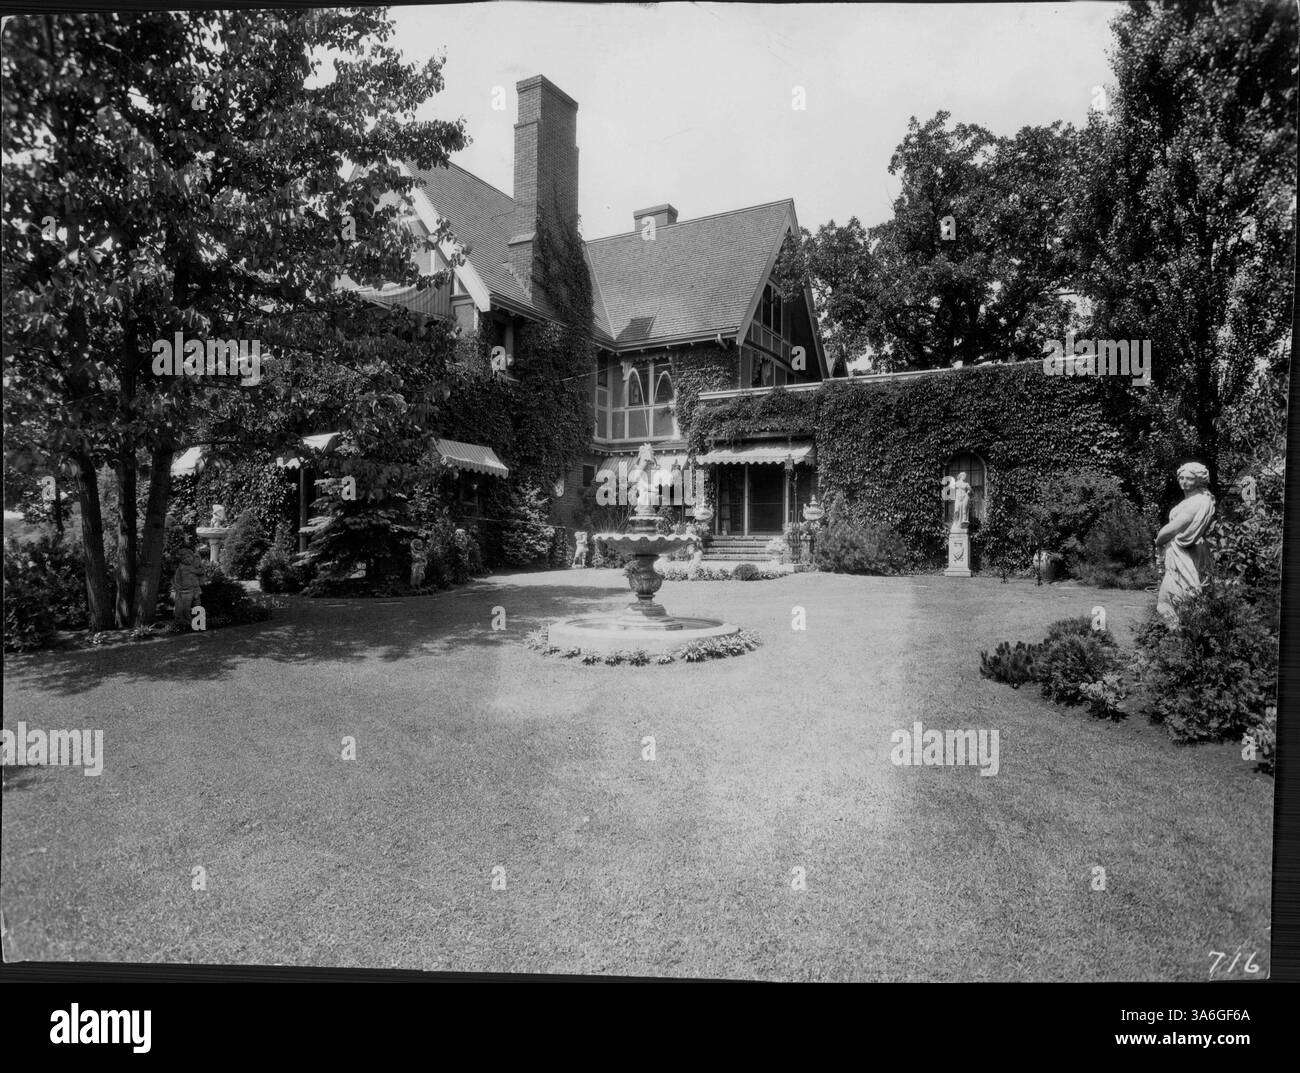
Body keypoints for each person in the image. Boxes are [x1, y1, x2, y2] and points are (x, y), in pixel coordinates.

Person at [1155, 462, 1216, 625]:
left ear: (1199, 480)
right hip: (1182, 552)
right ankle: (1184, 639)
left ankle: (1182, 639)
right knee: (1174, 604)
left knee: (1168, 604)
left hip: (1185, 554)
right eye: (1181, 478)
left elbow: (1175, 527)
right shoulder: (1193, 500)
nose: (1183, 482)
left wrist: (1159, 539)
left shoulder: (1198, 501)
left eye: (1189, 478)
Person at [172, 548, 203, 630]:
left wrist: (196, 567)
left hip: (196, 589)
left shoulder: (194, 566)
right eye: (184, 558)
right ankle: (187, 621)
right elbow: (176, 579)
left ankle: (198, 622)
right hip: (186, 591)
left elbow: (201, 571)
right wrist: (178, 587)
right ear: (181, 560)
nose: (187, 559)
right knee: (186, 607)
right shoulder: (181, 568)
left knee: (197, 604)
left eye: (189, 557)